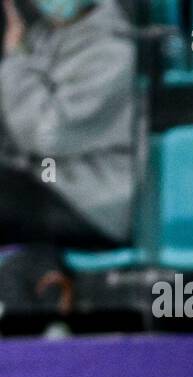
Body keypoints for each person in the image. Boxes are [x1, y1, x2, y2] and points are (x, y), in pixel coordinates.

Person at [0, 0, 135, 248]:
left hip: (93, 201)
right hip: (49, 180)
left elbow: (47, 134)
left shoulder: (113, 51)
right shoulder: (46, 36)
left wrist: (15, 61)